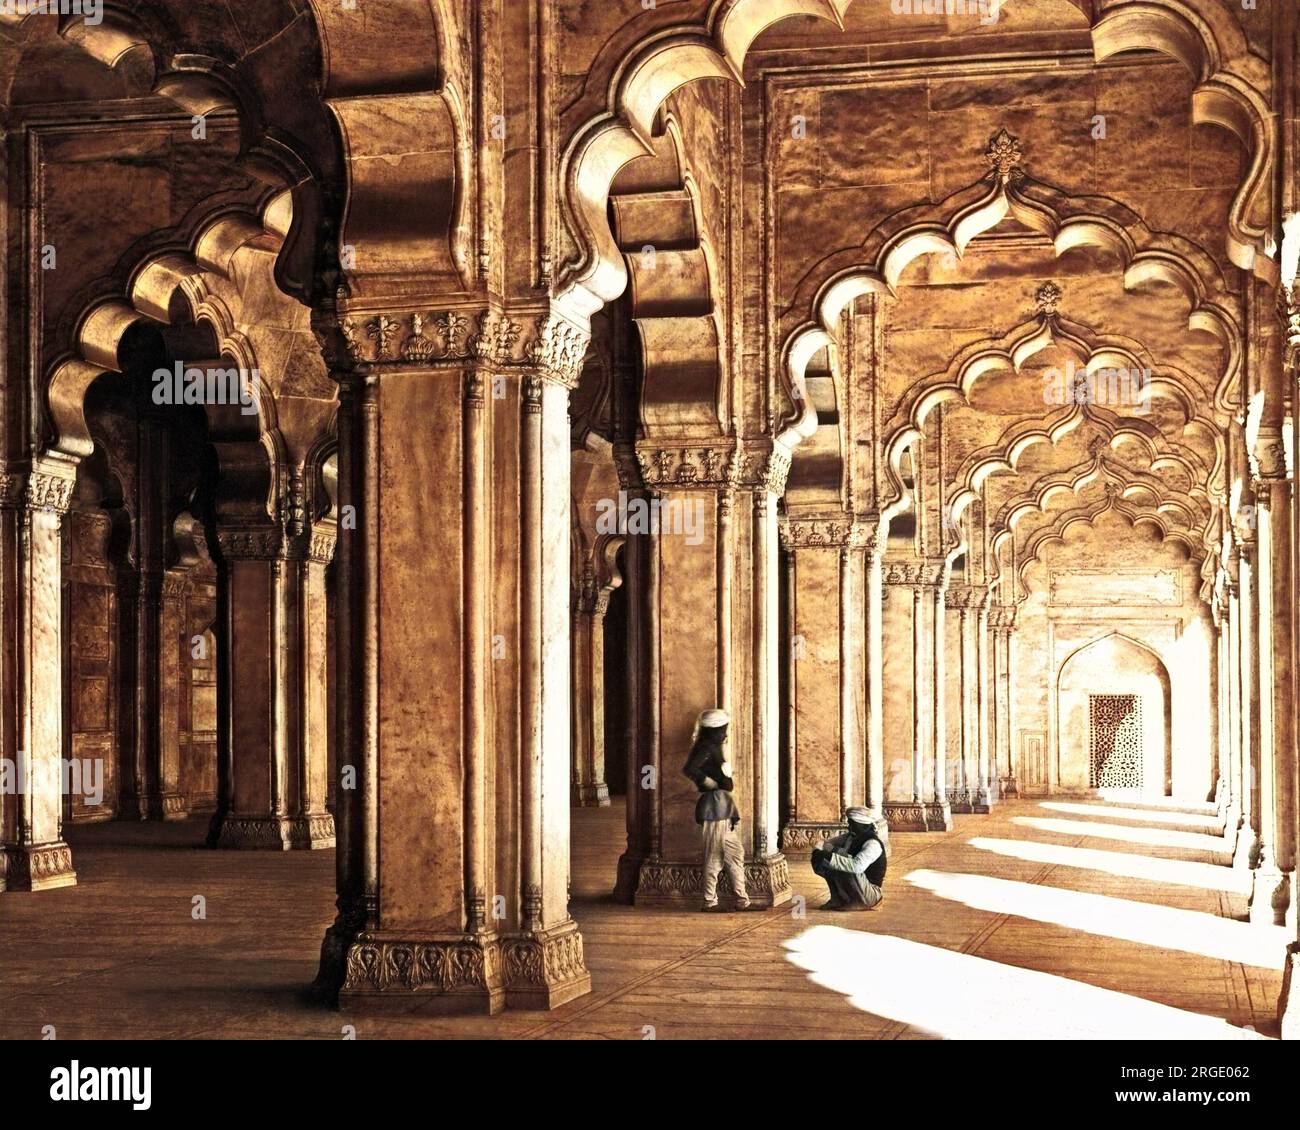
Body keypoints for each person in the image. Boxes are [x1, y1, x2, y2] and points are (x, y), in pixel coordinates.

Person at [682, 708, 753, 912]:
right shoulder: (707, 746)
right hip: (714, 807)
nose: (726, 733)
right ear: (715, 729)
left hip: (721, 807)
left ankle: (742, 900)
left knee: (735, 853)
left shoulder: (713, 746)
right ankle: (709, 901)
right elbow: (690, 769)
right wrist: (709, 782)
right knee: (714, 856)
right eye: (724, 728)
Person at [810, 807, 887, 911]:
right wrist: (821, 852)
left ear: (863, 825)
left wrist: (832, 854)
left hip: (870, 894)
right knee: (826, 860)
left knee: (845, 863)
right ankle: (837, 899)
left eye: (852, 824)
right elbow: (823, 844)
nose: (849, 827)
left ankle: (859, 902)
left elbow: (857, 867)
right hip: (858, 885)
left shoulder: (873, 844)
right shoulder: (851, 837)